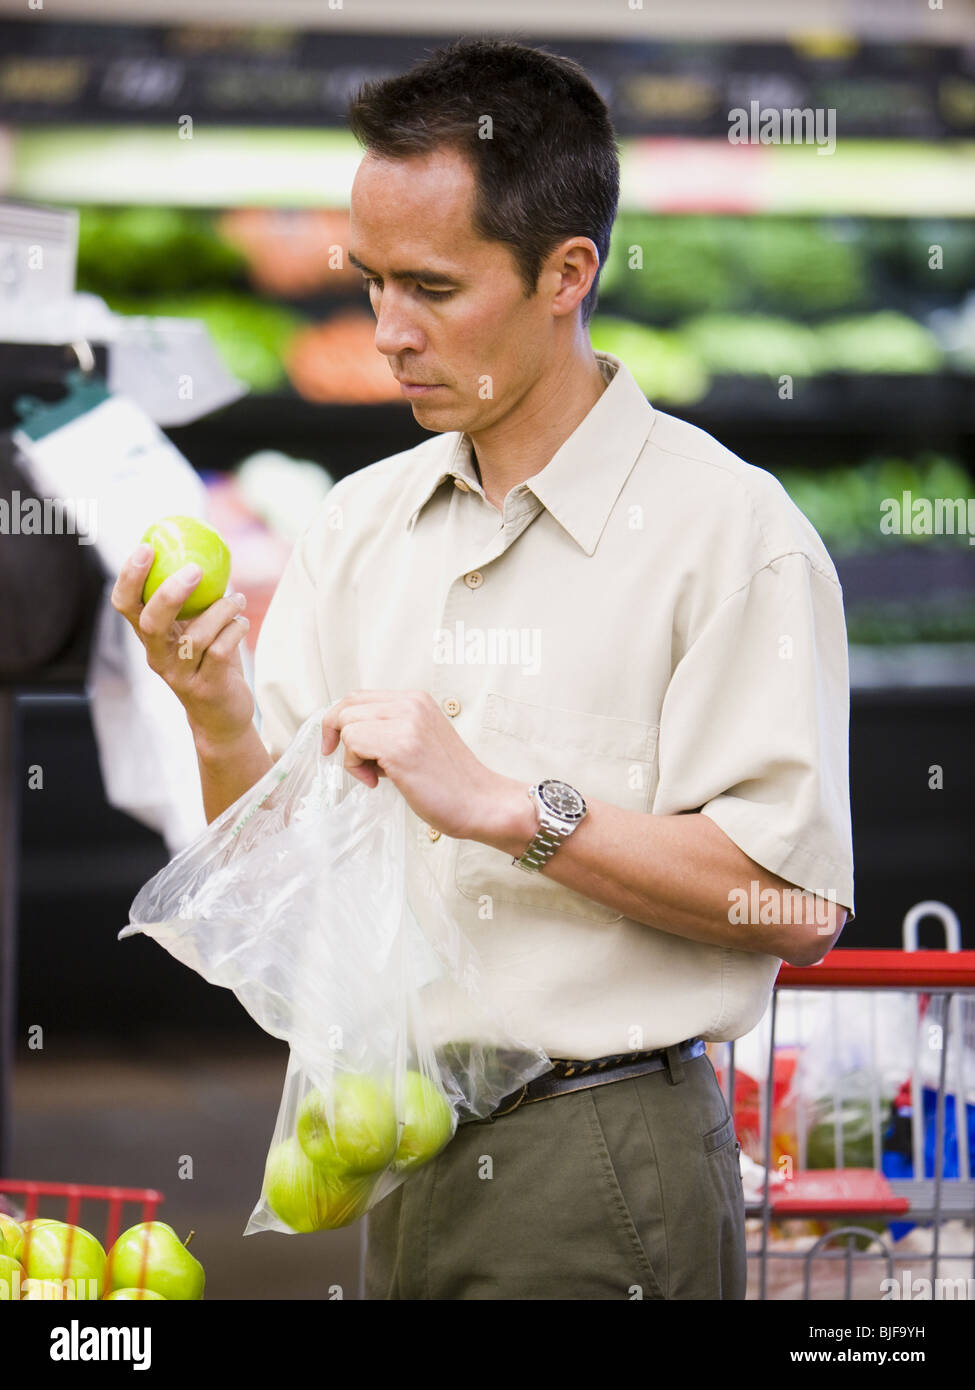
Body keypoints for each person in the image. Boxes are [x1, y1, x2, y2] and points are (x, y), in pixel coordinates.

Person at [111, 37, 854, 1300]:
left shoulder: (732, 535)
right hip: (391, 1153)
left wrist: (516, 810)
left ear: (568, 273)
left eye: (433, 288)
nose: (388, 330)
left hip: (603, 1157)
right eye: (371, 282)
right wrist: (217, 710)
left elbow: (798, 908)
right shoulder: (356, 524)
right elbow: (286, 897)